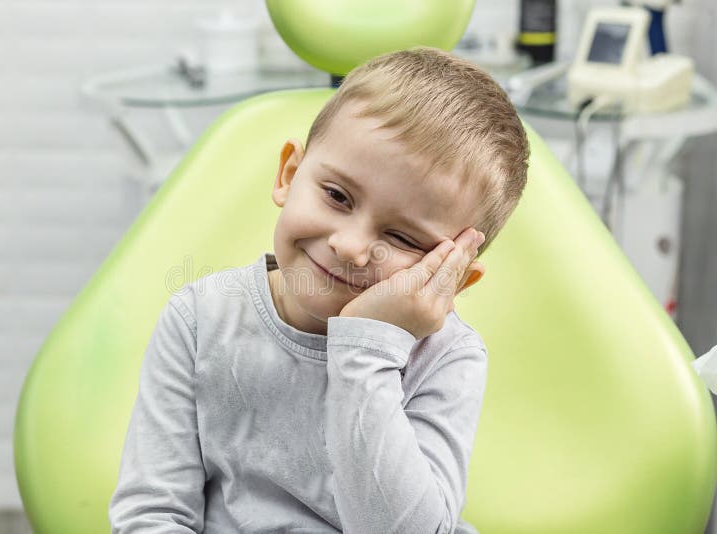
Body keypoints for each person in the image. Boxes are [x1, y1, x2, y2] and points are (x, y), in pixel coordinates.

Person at [109, 47, 529, 533]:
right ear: (290, 175)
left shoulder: (446, 357)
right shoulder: (201, 320)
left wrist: (367, 350)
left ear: (452, 279)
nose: (350, 246)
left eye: (402, 237)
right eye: (337, 196)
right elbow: (153, 515)